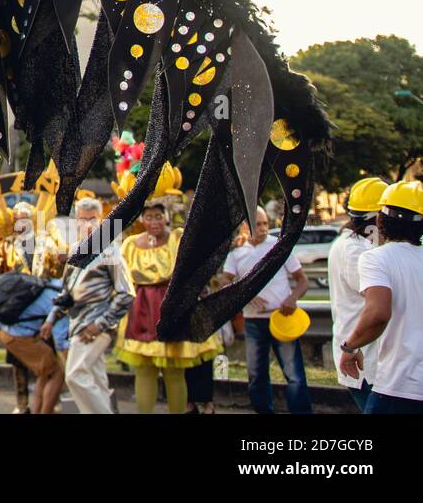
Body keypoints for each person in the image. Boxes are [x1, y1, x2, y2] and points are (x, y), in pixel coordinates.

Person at [115, 199, 221, 414]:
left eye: (158, 216)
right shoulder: (130, 244)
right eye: (149, 216)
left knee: (174, 370)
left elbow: (193, 263)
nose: (154, 221)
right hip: (142, 310)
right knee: (145, 369)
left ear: (166, 217)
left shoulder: (177, 238)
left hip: (172, 308)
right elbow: (122, 278)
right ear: (142, 219)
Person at [41, 197, 132, 414]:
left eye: (93, 219)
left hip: (96, 326)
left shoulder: (111, 251)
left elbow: (126, 294)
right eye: (82, 220)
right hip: (77, 323)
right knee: (95, 378)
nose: (87, 225)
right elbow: (67, 292)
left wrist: (99, 324)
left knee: (76, 375)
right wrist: (51, 319)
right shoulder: (75, 249)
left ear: (101, 221)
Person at [339, 180, 423, 414]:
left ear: (381, 220)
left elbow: (377, 313)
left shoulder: (376, 258)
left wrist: (349, 348)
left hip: (401, 386)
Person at [222, 205, 312, 414]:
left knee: (294, 375)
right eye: (257, 224)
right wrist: (245, 294)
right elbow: (224, 284)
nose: (262, 228)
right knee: (256, 375)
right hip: (253, 321)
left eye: (265, 224)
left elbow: (302, 281)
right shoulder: (237, 253)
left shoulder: (278, 247)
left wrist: (292, 298)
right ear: (245, 227)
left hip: (281, 317)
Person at [329, 177, 387, 411]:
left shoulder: (355, 245)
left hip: (362, 350)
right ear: (377, 218)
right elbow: (380, 300)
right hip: (362, 354)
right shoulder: (356, 251)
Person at [0, 272, 64, 414]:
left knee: (46, 372)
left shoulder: (52, 284)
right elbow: (62, 342)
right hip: (19, 337)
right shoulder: (59, 299)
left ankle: (39, 411)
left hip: (7, 331)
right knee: (57, 373)